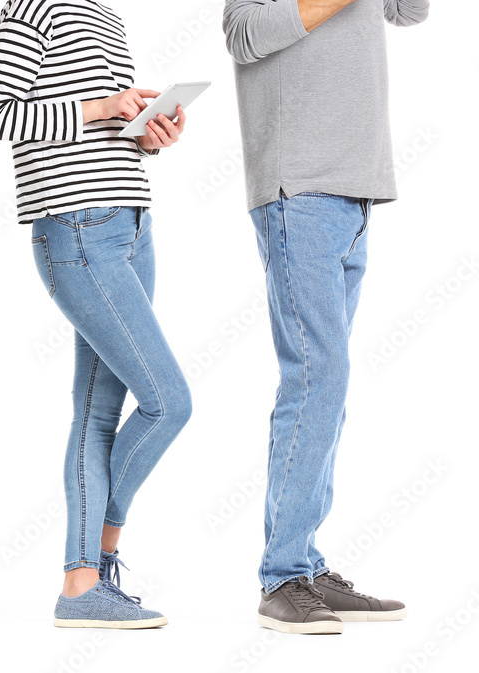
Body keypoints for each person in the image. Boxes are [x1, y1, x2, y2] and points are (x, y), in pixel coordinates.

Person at [0, 0, 192, 628]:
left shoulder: (105, 13)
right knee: (168, 403)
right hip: (77, 228)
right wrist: (103, 106)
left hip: (130, 224)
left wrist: (147, 135)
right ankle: (89, 565)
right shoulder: (32, 8)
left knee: (99, 414)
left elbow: (98, 134)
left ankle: (84, 584)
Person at [223, 0, 429, 635]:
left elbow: (410, 12)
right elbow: (243, 35)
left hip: (356, 190)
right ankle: (282, 577)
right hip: (300, 188)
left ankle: (306, 566)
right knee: (316, 377)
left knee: (328, 387)